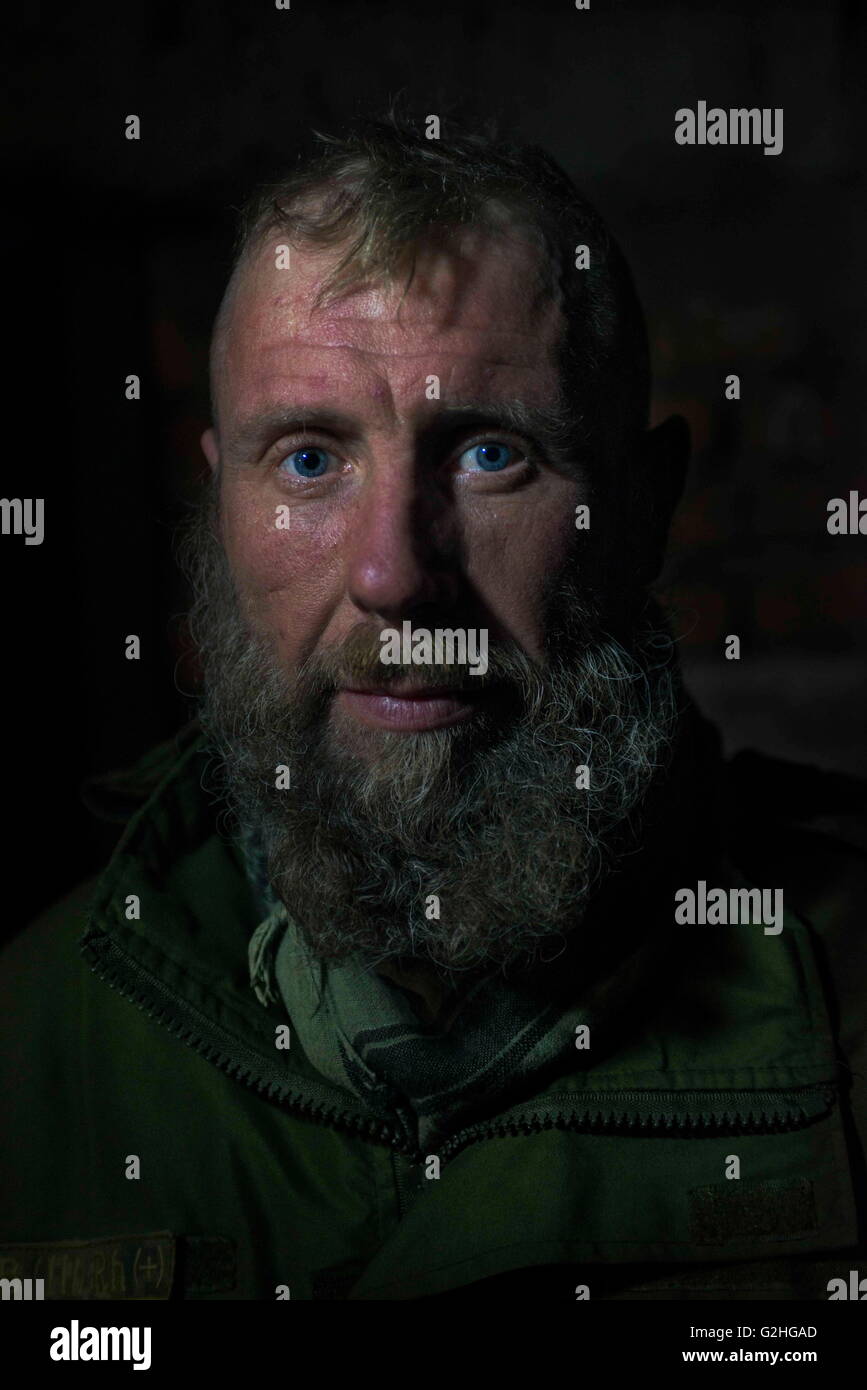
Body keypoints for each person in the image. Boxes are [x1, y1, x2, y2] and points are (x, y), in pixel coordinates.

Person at [1, 114, 865, 1302]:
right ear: (220, 510)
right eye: (309, 458)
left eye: (490, 455)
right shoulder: (32, 1044)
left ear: (645, 507)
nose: (394, 575)